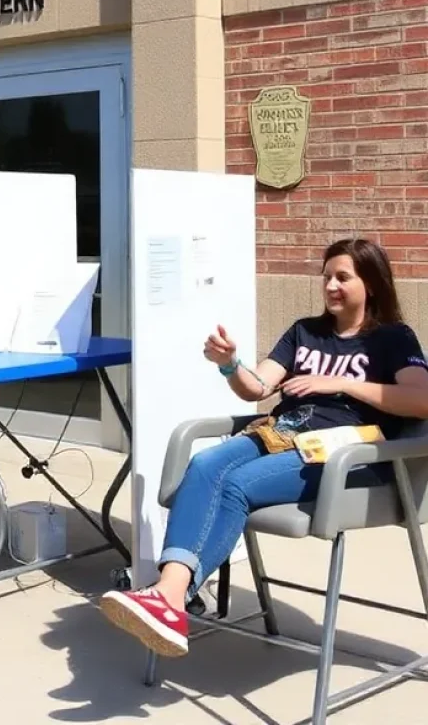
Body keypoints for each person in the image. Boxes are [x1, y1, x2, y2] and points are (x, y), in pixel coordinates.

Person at [98, 238, 428, 659]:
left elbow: (421, 400)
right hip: (279, 433)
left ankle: (169, 597)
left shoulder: (391, 339)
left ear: (373, 285)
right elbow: (256, 387)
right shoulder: (304, 331)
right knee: (204, 464)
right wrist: (230, 364)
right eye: (326, 277)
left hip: (340, 456)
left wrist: (341, 383)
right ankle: (170, 596)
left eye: (342, 278)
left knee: (236, 485)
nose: (330, 286)